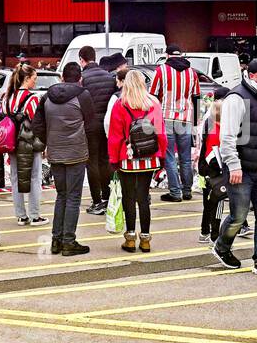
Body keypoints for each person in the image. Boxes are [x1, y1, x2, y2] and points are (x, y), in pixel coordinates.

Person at [212, 58, 257, 277]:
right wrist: (234, 166)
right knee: (239, 217)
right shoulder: (236, 98)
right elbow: (227, 137)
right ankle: (222, 246)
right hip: (242, 169)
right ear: (252, 75)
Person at [32, 62, 95, 256]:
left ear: (62, 77)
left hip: (55, 152)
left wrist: (48, 141)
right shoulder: (82, 95)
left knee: (61, 195)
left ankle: (56, 240)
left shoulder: (46, 97)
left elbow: (37, 125)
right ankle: (69, 241)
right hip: (76, 153)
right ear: (79, 78)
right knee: (73, 197)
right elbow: (91, 123)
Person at [108, 70, 168, 253]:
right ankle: (146, 240)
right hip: (149, 157)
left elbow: (115, 136)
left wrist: (113, 159)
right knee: (143, 198)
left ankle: (130, 238)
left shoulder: (120, 104)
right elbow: (161, 133)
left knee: (129, 198)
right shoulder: (153, 103)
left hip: (127, 157)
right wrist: (162, 155)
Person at [150, 46, 201, 203]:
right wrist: (195, 120)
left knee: (170, 156)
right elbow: (197, 97)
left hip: (166, 119)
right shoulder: (192, 73)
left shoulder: (161, 71)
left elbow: (152, 95)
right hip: (185, 119)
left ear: (167, 55)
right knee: (186, 157)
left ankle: (175, 192)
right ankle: (187, 190)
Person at [2, 62, 47, 227]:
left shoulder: (7, 97)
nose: (35, 81)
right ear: (27, 78)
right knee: (35, 177)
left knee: (15, 178)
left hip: (12, 143)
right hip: (29, 144)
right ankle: (35, 216)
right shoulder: (32, 98)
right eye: (34, 78)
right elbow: (37, 122)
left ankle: (21, 216)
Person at [79, 45, 118, 215]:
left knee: (91, 161)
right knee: (105, 160)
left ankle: (96, 201)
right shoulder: (109, 77)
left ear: (82, 60)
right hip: (107, 123)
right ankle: (108, 196)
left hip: (90, 123)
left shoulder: (83, 78)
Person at [197, 88, 229, 243]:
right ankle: (214, 235)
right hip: (216, 171)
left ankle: (204, 231)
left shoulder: (207, 123)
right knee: (217, 204)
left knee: (207, 202)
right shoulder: (221, 130)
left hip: (204, 168)